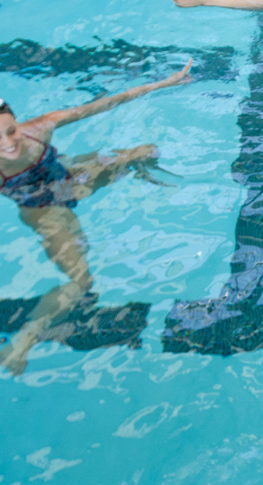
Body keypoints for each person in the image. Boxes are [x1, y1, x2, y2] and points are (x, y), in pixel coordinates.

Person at [0, 62, 191, 375]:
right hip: (45, 211)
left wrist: (164, 84)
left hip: (72, 178)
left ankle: (138, 172)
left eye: (11, 130)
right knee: (82, 283)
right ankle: (21, 342)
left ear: (18, 122)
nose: (9, 142)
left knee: (147, 151)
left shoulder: (41, 127)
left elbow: (105, 103)